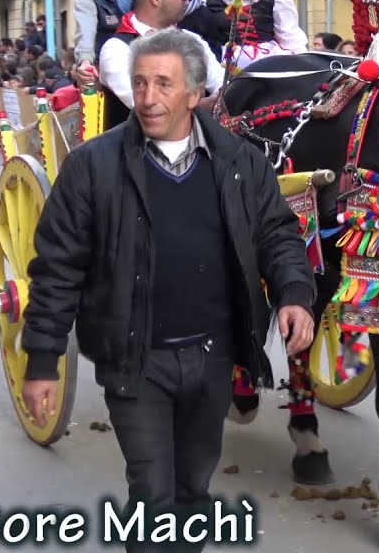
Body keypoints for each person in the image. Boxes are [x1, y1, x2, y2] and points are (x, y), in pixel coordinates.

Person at [20, 29, 317, 552]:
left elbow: (277, 232)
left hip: (212, 358)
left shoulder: (240, 162)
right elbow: (57, 268)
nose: (148, 98)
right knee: (153, 498)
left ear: (196, 93)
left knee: (193, 490)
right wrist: (43, 361)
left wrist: (295, 291)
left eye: (163, 84)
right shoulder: (93, 167)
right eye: (139, 84)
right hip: (135, 360)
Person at [98, 0, 226, 129]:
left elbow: (220, 82)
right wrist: (202, 106)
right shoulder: (117, 50)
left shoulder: (191, 39)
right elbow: (147, 105)